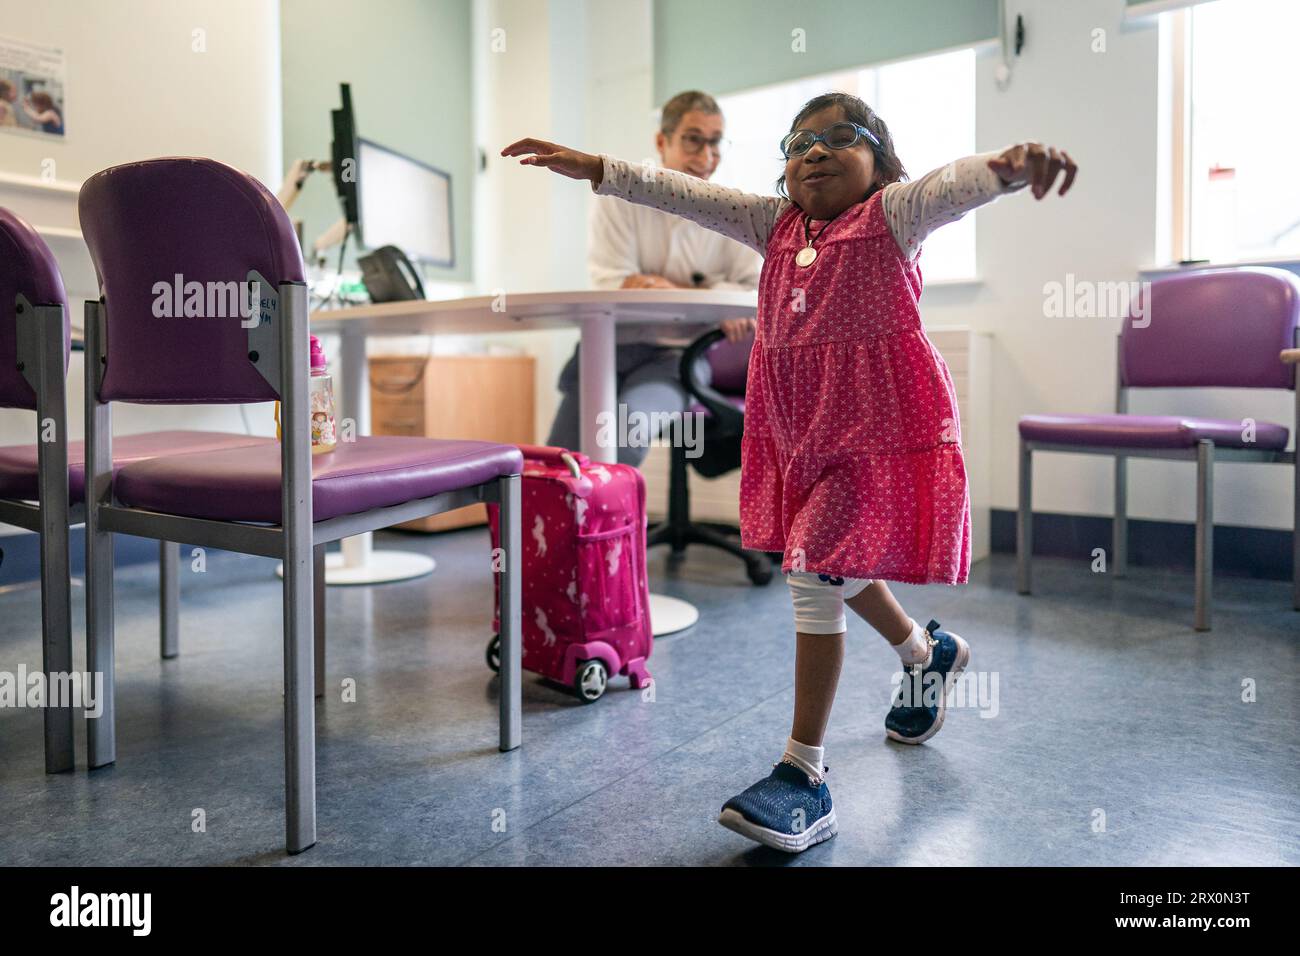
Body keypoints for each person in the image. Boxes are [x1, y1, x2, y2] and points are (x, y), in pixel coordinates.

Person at [503, 91, 1077, 853]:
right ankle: (925, 653)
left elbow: (952, 186)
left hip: (878, 432)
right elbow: (682, 191)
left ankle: (804, 773)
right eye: (799, 140)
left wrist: (1007, 168)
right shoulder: (768, 224)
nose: (815, 150)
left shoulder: (892, 216)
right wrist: (598, 169)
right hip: (800, 433)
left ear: (880, 161)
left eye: (842, 137)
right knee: (826, 560)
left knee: (810, 572)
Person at [546, 90, 759, 465]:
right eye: (694, 139)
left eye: (715, 142)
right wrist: (706, 298)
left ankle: (615, 525)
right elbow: (614, 283)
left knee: (621, 445)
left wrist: (668, 289)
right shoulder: (619, 198)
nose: (706, 155)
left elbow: (751, 291)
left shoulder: (734, 210)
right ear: (662, 141)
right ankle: (567, 526)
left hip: (678, 357)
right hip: (608, 349)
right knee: (560, 460)